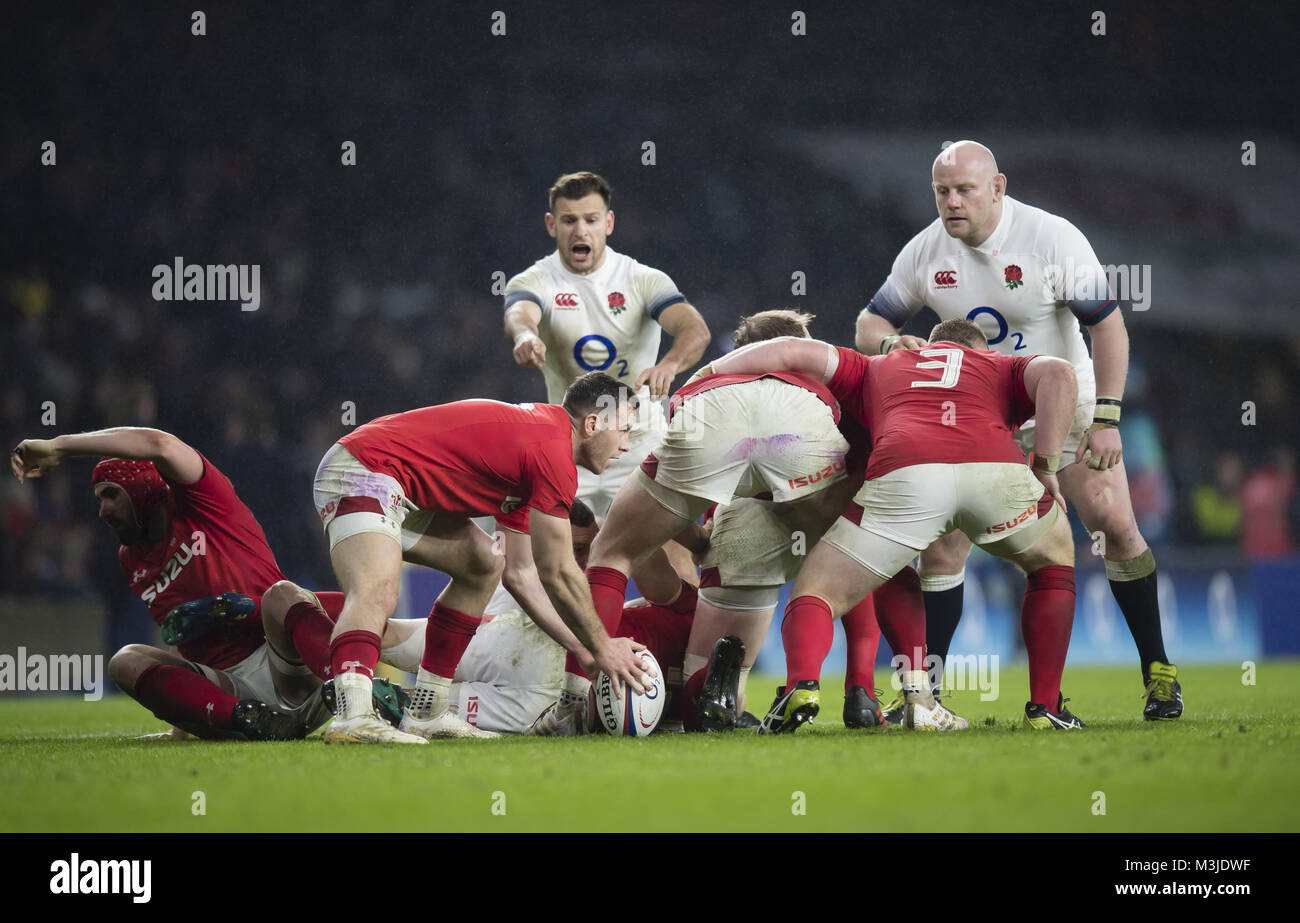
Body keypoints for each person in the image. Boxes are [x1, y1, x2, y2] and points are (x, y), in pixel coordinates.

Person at [854, 140, 1182, 720]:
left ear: (998, 187)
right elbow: (871, 319)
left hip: (1063, 408)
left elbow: (1108, 329)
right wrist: (888, 342)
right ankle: (924, 697)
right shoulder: (926, 251)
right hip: (977, 419)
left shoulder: (1051, 239)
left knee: (1112, 522)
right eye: (941, 192)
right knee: (942, 546)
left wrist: (1107, 417)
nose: (951, 203)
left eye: (964, 190)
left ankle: (1158, 671)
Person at [699, 318, 1086, 732]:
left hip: (899, 476)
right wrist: (1046, 468)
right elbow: (1061, 373)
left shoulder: (879, 364)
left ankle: (804, 683)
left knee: (819, 593)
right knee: (1052, 564)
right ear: (982, 350)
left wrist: (706, 374)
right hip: (994, 471)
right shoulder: (999, 365)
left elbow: (791, 349)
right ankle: (1043, 707)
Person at [312, 370, 653, 744]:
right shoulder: (552, 449)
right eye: (624, 430)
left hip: (402, 487)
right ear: (591, 424)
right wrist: (603, 646)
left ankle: (427, 711)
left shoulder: (539, 449)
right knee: (377, 590)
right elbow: (557, 570)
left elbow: (520, 573)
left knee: (485, 563)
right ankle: (352, 715)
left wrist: (581, 647)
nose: (626, 444)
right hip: (365, 468)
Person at [569, 318, 856, 733]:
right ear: (791, 349)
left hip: (710, 416)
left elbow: (668, 528)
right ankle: (856, 690)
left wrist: (700, 541)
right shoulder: (820, 376)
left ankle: (587, 689)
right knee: (850, 545)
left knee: (612, 552)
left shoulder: (713, 377)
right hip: (801, 428)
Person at [10, 427, 346, 740]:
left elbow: (160, 445)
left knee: (283, 595)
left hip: (285, 667)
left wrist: (59, 446)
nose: (103, 510)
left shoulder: (203, 498)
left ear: (141, 487)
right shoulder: (132, 559)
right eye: (100, 498)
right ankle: (247, 719)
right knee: (124, 661)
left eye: (111, 495)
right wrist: (180, 727)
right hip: (231, 690)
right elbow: (181, 640)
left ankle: (355, 697)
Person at [678, 310, 923, 732]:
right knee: (859, 564)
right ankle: (861, 690)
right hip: (835, 507)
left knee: (709, 683)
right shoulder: (843, 382)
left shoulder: (719, 394)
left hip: (749, 522)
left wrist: (699, 537)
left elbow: (676, 492)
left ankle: (717, 695)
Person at [378, 499, 695, 735]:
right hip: (540, 683)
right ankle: (359, 692)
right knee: (409, 695)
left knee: (389, 647)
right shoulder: (692, 639)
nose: (584, 560)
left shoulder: (678, 610)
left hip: (536, 666)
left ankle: (352, 685)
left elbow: (638, 552)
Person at [503, 171, 711, 521]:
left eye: (591, 219)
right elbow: (520, 314)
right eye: (569, 220)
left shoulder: (642, 280)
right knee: (550, 562)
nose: (580, 230)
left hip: (639, 443)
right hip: (569, 447)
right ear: (551, 225)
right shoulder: (534, 280)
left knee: (665, 561)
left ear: (609, 223)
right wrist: (525, 336)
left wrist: (670, 364)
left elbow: (695, 328)